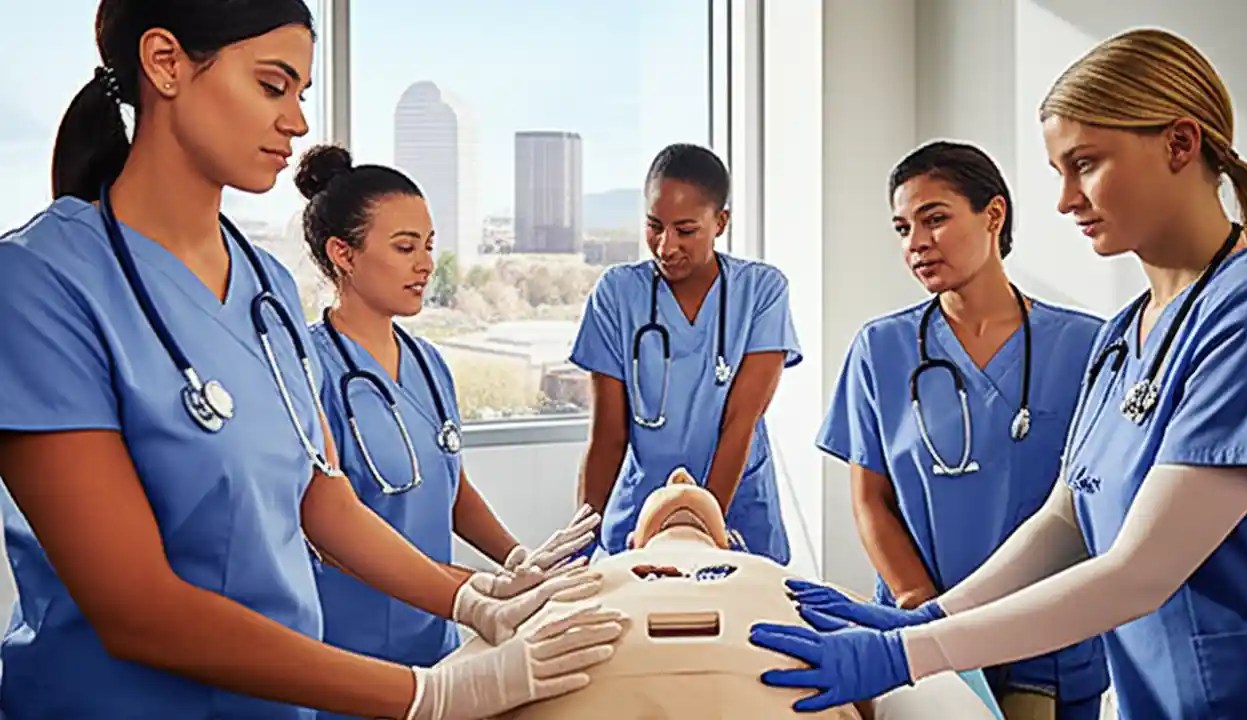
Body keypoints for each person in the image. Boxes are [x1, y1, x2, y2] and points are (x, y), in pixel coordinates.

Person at [0, 3, 624, 718]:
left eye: (301, 93)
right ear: (166, 63)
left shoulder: (265, 284)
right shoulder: (40, 284)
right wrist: (433, 694)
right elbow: (135, 607)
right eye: (273, 86)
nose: (297, 122)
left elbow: (320, 494)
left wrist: (476, 597)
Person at [750, 27, 1247, 719]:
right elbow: (1066, 520)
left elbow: (1140, 572)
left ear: (1180, 144)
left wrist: (912, 654)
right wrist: (929, 615)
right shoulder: (1124, 336)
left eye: (1084, 163)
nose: (1064, 200)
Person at [294, 143, 602, 716]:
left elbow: (450, 486)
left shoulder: (430, 365)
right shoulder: (307, 371)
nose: (426, 265)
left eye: (429, 246)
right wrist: (475, 593)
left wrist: (517, 561)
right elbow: (329, 534)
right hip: (347, 657)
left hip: (437, 649)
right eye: (405, 246)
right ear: (344, 254)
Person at [810, 140, 1108, 719]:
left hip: (1044, 635)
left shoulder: (1086, 346)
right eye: (902, 228)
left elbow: (1092, 508)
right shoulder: (881, 349)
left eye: (935, 218)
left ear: (993, 215)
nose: (915, 243)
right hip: (920, 633)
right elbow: (871, 501)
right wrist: (925, 613)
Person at [439, 467, 1002, 720]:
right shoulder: (565, 588)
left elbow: (906, 670)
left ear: (731, 540)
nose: (681, 477)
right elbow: (465, 683)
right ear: (629, 544)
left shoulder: (796, 585)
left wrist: (911, 636)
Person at [570, 142, 803, 565]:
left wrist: (702, 532)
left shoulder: (762, 291)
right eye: (654, 225)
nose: (665, 246)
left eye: (686, 229)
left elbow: (740, 422)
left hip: (738, 520)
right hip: (639, 522)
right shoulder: (618, 294)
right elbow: (607, 436)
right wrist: (578, 545)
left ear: (721, 222)